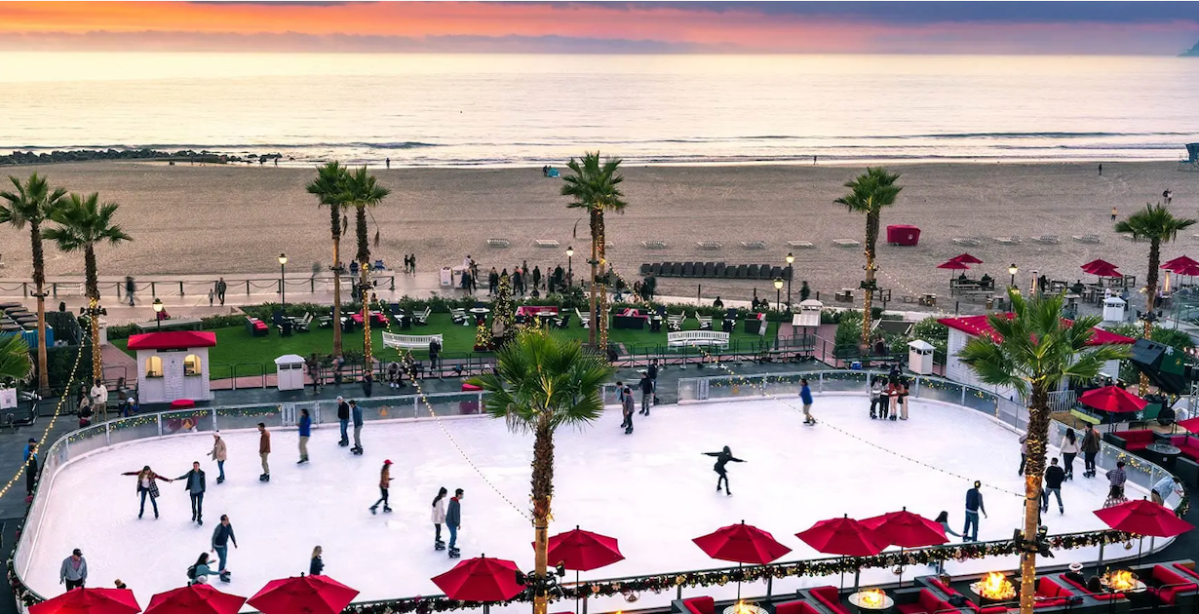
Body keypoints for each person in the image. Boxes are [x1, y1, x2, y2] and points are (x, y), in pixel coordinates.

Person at [176, 461, 207, 525]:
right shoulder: (191, 473)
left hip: (200, 492)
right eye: (194, 466)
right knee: (193, 505)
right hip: (193, 492)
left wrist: (204, 489)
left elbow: (203, 482)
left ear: (199, 466)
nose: (195, 467)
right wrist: (176, 479)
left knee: (199, 505)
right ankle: (194, 515)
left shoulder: (202, 473)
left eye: (196, 466)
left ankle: (199, 518)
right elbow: (184, 476)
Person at [446, 488, 463, 557]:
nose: (462, 496)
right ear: (459, 495)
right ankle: (451, 548)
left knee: (454, 535)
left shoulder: (453, 501)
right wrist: (457, 523)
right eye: (462, 494)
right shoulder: (455, 503)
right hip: (451, 521)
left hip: (449, 520)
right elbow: (455, 515)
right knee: (454, 535)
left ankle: (451, 546)